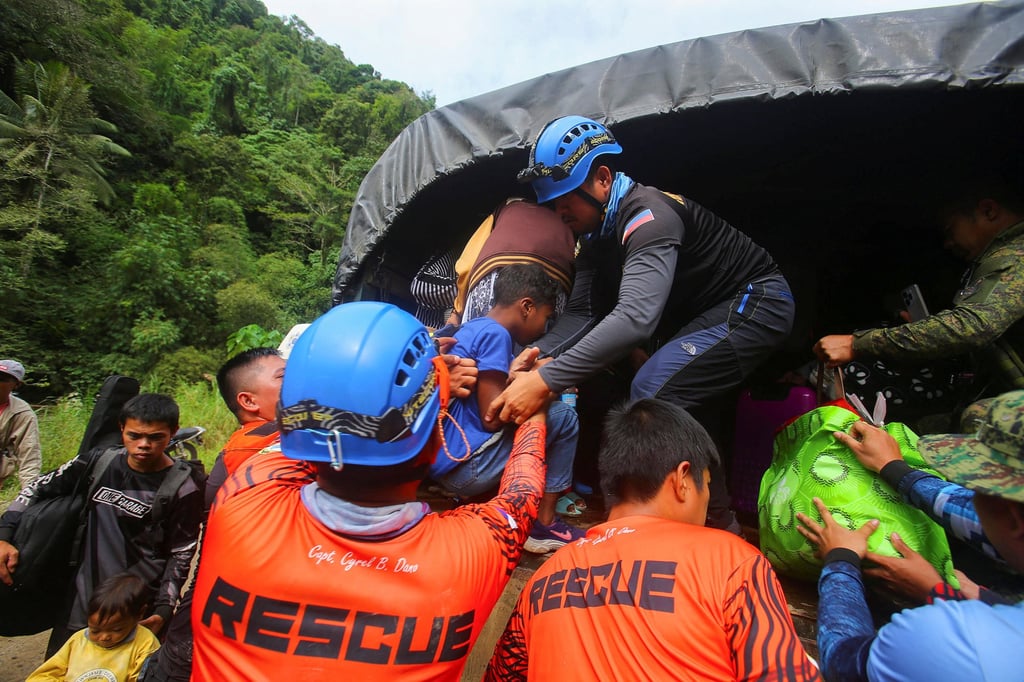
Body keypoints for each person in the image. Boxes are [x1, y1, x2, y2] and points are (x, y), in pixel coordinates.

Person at [190, 301, 548, 680]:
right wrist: (536, 402)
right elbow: (522, 489)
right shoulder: (476, 549)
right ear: (437, 424)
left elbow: (304, 436)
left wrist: (430, 384)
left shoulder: (242, 500)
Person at [490, 115, 796, 531]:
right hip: (707, 316)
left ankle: (666, 521)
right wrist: (538, 355)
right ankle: (720, 527)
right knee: (663, 389)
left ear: (601, 178)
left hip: (757, 300)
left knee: (652, 387)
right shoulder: (595, 238)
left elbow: (635, 318)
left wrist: (546, 381)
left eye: (566, 200)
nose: (559, 212)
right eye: (552, 203)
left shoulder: (647, 214)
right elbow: (581, 315)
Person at [487, 398, 820, 680]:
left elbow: (503, 674)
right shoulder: (733, 563)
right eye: (707, 486)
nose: (707, 508)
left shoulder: (546, 576)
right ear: (683, 479)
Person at [796, 389, 1024, 681]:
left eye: (973, 484)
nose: (967, 495)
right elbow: (966, 513)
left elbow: (843, 663)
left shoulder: (948, 639)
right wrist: (894, 468)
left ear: (1014, 517)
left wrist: (841, 561)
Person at [0, 393, 204, 657]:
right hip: (81, 596)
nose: (144, 445)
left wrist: (164, 609)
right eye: (134, 436)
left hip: (136, 604)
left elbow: (181, 552)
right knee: (63, 665)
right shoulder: (99, 461)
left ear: (173, 432)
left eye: (155, 437)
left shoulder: (184, 487)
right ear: (122, 429)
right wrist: (5, 533)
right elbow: (36, 488)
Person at [813, 176, 1024, 422]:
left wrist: (857, 343)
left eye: (949, 229)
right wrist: (924, 328)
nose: (948, 243)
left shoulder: (1015, 256)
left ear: (988, 211)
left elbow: (972, 327)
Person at [429, 264, 582, 553]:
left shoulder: (472, 328)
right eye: (546, 318)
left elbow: (480, 400)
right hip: (467, 469)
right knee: (563, 416)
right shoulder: (497, 335)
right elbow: (491, 417)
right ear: (527, 307)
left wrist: (514, 377)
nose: (544, 327)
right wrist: (541, 385)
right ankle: (544, 523)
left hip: (444, 464)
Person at [448, 197, 576, 325]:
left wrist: (457, 311)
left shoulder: (508, 206)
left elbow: (468, 262)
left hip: (495, 272)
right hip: (554, 284)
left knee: (476, 338)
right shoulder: (572, 220)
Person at [27, 572, 161, 682]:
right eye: (95, 630)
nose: (104, 637)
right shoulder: (78, 640)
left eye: (116, 629)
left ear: (139, 614)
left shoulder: (145, 644)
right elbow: (44, 675)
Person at [0, 358, 42, 491]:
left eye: (2, 379)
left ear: (16, 385)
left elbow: (29, 455)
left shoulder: (22, 414)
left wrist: (28, 494)